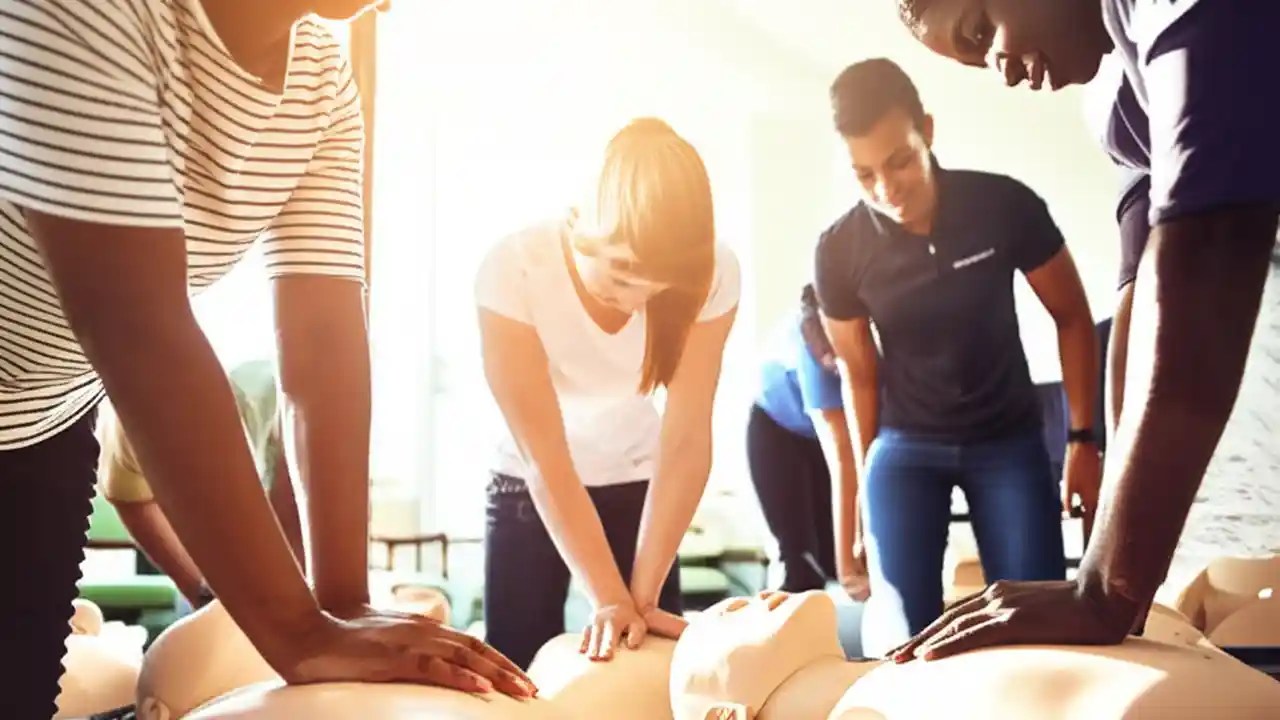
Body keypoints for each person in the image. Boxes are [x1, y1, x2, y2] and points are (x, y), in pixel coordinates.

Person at [0, 1, 532, 715]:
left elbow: (321, 341)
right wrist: (296, 630)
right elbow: (139, 332)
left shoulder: (320, 79)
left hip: (42, 423)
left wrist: (343, 602)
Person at [884, 0, 1279, 662]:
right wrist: (1107, 562)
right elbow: (1143, 303)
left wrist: (1104, 591)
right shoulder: (1119, 100)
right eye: (980, 60)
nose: (1003, 72)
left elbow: (1208, 260)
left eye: (982, 32)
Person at [813, 59, 1102, 654]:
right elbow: (860, 378)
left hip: (1008, 439)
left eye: (899, 160)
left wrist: (1082, 440)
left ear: (929, 131)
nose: (886, 189)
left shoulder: (1004, 206)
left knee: (1038, 630)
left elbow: (1073, 318)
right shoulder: (839, 250)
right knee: (902, 637)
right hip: (906, 445)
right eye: (864, 174)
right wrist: (867, 495)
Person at [475, 117, 741, 669]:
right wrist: (608, 597)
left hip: (638, 481)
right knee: (514, 676)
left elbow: (687, 435)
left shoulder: (710, 271)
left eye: (656, 282)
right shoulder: (516, 267)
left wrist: (638, 600)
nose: (636, 297)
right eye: (622, 271)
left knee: (646, 667)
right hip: (529, 486)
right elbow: (544, 457)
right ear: (579, 226)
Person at [97, 360, 304, 608]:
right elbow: (132, 501)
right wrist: (200, 592)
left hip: (276, 446)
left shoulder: (268, 406)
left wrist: (297, 608)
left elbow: (293, 509)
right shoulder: (131, 418)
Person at [747, 284, 870, 600]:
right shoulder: (811, 348)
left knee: (838, 557)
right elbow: (846, 457)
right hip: (777, 430)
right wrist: (849, 570)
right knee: (802, 568)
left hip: (827, 436)